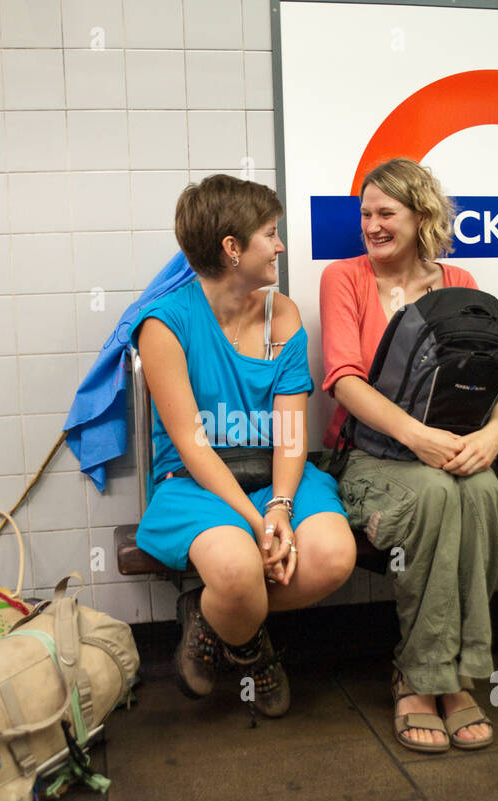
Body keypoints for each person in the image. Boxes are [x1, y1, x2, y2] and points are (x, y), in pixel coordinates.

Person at [133, 174, 356, 717]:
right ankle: (251, 645)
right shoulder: (164, 325)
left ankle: (213, 619)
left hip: (278, 473)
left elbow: (291, 432)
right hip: (197, 482)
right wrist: (259, 526)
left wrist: (280, 505)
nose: (281, 246)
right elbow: (192, 445)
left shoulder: (282, 314)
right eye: (270, 234)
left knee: (332, 558)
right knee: (236, 571)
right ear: (232, 249)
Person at [320, 158, 498, 753]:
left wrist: (495, 436)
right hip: (371, 455)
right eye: (366, 215)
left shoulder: (460, 284)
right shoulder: (345, 279)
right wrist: (417, 438)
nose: (372, 226)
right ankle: (419, 675)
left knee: (483, 495)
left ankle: (458, 676)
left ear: (422, 216)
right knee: (431, 495)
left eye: (386, 214)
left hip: (455, 447)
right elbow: (343, 379)